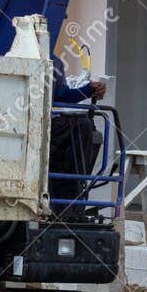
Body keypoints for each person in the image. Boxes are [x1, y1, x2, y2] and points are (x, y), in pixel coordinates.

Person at [48, 52, 106, 213]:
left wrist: (89, 90)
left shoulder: (55, 62)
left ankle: (72, 193)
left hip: (47, 123)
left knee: (83, 125)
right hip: (22, 122)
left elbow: (60, 95)